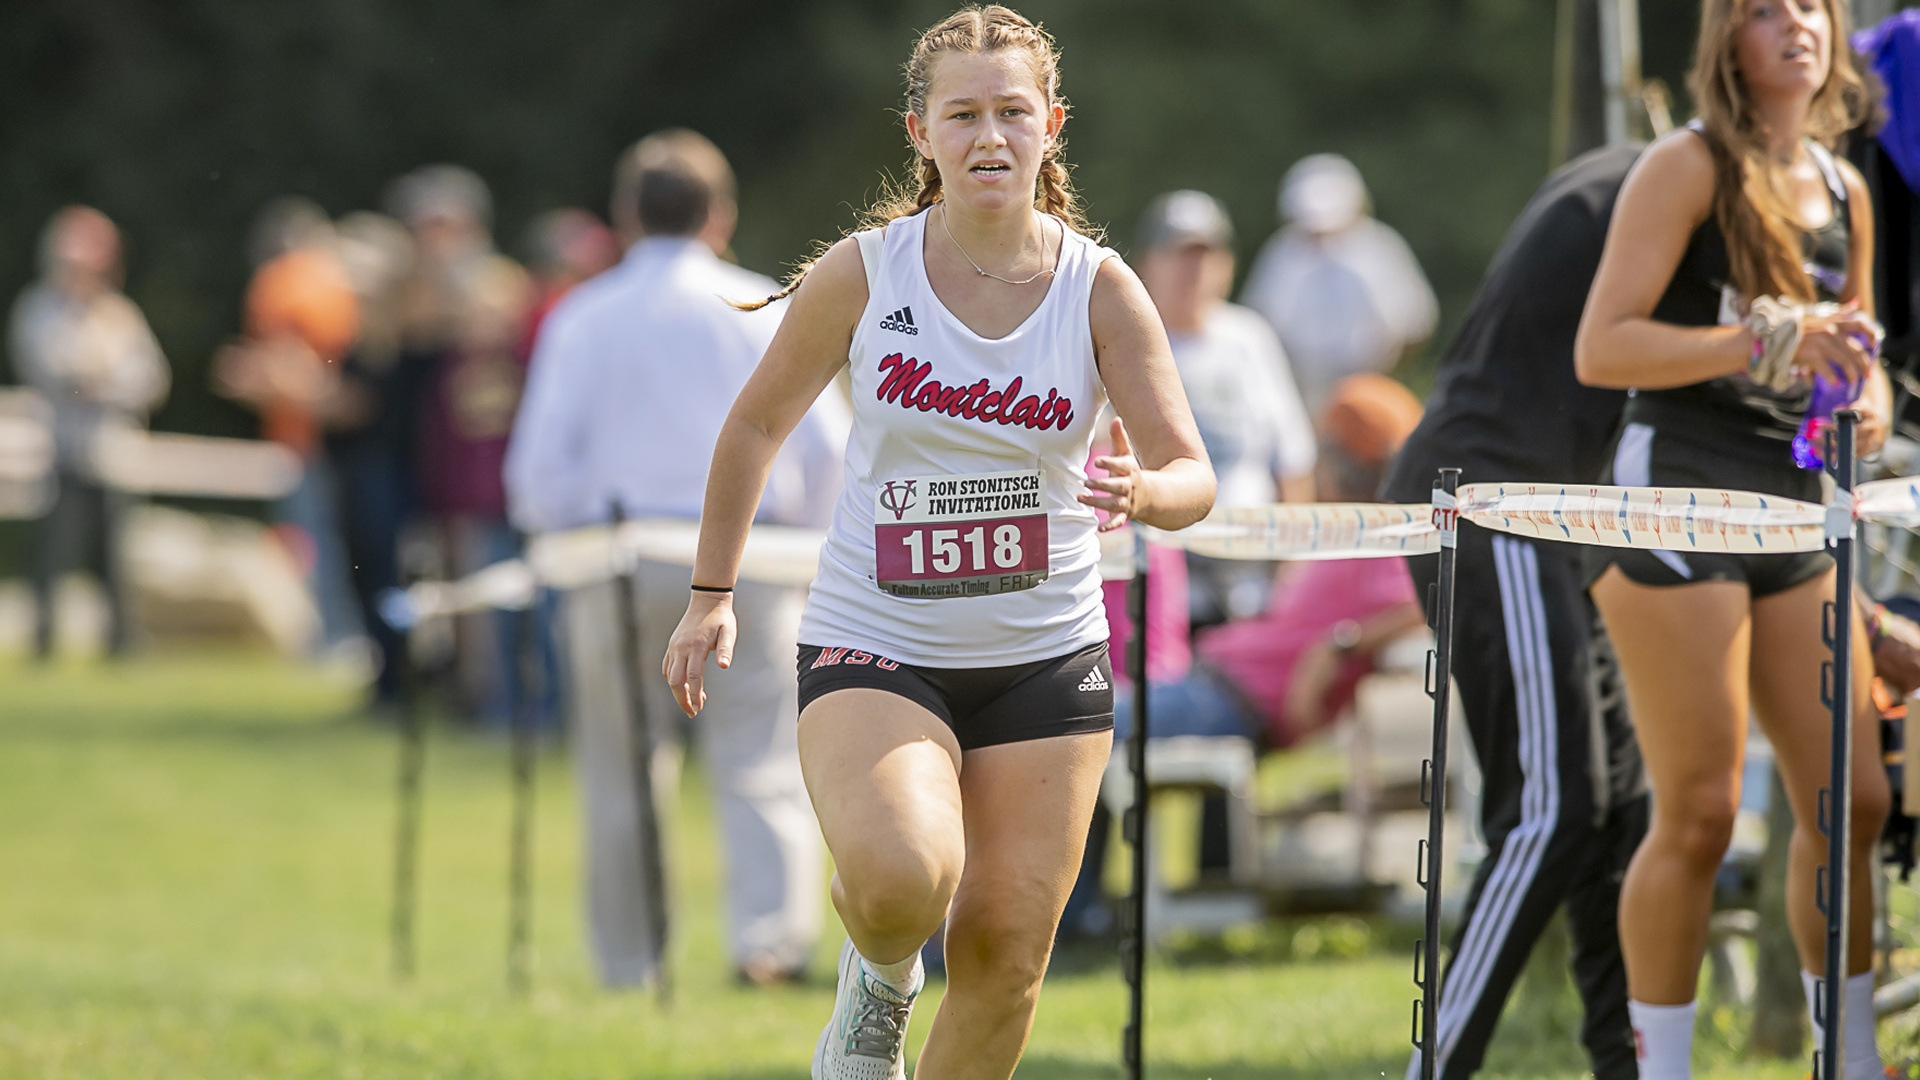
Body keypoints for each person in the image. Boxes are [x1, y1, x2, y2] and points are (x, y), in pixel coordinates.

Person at [660, 8, 1214, 1079]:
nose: (989, 136)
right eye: (962, 115)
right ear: (921, 133)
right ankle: (876, 986)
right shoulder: (867, 274)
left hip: (1046, 660)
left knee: (1005, 956)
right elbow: (756, 425)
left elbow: (1194, 473)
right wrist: (709, 596)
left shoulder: (1101, 287)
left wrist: (1148, 489)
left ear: (1051, 125)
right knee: (903, 879)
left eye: (1012, 112)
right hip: (879, 641)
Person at [1573, 2, 1888, 1076]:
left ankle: (1850, 1058)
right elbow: (1602, 348)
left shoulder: (1846, 186)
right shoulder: (1685, 164)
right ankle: (1660, 1066)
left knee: (1852, 801)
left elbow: (1860, 352)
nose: (1795, 24)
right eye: (1762, 9)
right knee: (1702, 813)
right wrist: (1759, 341)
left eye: (1810, 5)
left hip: (1797, 502)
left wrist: (1867, 399)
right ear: (1727, 44)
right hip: (1677, 495)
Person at [506, 130, 846, 988]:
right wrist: (799, 543)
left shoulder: (583, 316)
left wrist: (577, 532)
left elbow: (538, 475)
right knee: (761, 759)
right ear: (720, 216)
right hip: (752, 562)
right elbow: (826, 454)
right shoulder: (760, 305)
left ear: (626, 216)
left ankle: (633, 964)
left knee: (622, 772)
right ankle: (769, 945)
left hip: (615, 564)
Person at [1383, 145, 1650, 1080]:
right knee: (1553, 808)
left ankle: (1626, 1065)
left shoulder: (1631, 176)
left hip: (1549, 511)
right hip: (1495, 501)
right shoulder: (1662, 191)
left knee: (1621, 814)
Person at [1134, 189, 1316, 625]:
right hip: (1161, 576)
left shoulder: (1250, 339)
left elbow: (1292, 460)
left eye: (1205, 255)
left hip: (1252, 579)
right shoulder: (1126, 341)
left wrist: (1291, 572)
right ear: (1145, 265)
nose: (1193, 270)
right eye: (1177, 255)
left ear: (1228, 265)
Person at [9, 206, 170, 658]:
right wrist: (96, 376)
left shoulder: (119, 313)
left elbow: (151, 379)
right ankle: (44, 641)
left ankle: (121, 641)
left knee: (114, 555)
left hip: (111, 453)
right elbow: (52, 370)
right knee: (54, 554)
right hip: (60, 450)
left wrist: (99, 379)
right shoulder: (39, 308)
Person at [214, 197, 369, 661]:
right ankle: (343, 636)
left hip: (307, 436)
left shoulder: (283, 282)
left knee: (320, 546)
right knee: (333, 544)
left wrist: (254, 375)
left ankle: (338, 639)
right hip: (331, 434)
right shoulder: (342, 283)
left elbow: (289, 366)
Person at [1240, 153, 1438, 411]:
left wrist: (1380, 378)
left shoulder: (1381, 248)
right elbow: (1257, 325)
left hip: (1368, 389)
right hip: (1299, 394)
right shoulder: (1281, 252)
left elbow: (1416, 325)